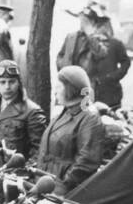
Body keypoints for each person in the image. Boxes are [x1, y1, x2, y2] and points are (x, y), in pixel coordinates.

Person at [36, 65, 104, 193]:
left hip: (64, 191)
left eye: (59, 87)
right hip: (45, 183)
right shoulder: (65, 112)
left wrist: (63, 186)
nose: (55, 91)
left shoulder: (89, 117)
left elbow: (86, 163)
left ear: (70, 89)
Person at [0, 59, 46, 159]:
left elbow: (40, 150)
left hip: (17, 170)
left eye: (12, 82)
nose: (7, 87)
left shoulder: (32, 111)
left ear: (19, 83)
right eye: (2, 82)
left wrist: (26, 168)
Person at [83, 11, 131, 109]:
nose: (101, 28)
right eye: (98, 25)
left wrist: (114, 76)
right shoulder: (86, 44)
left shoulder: (115, 44)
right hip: (89, 89)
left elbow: (125, 62)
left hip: (110, 91)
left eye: (104, 25)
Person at [57, 4, 98, 71]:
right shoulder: (70, 36)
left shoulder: (97, 39)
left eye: (86, 20)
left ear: (92, 22)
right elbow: (60, 55)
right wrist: (61, 67)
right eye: (82, 18)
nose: (83, 21)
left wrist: (90, 34)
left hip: (86, 79)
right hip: (68, 78)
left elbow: (99, 55)